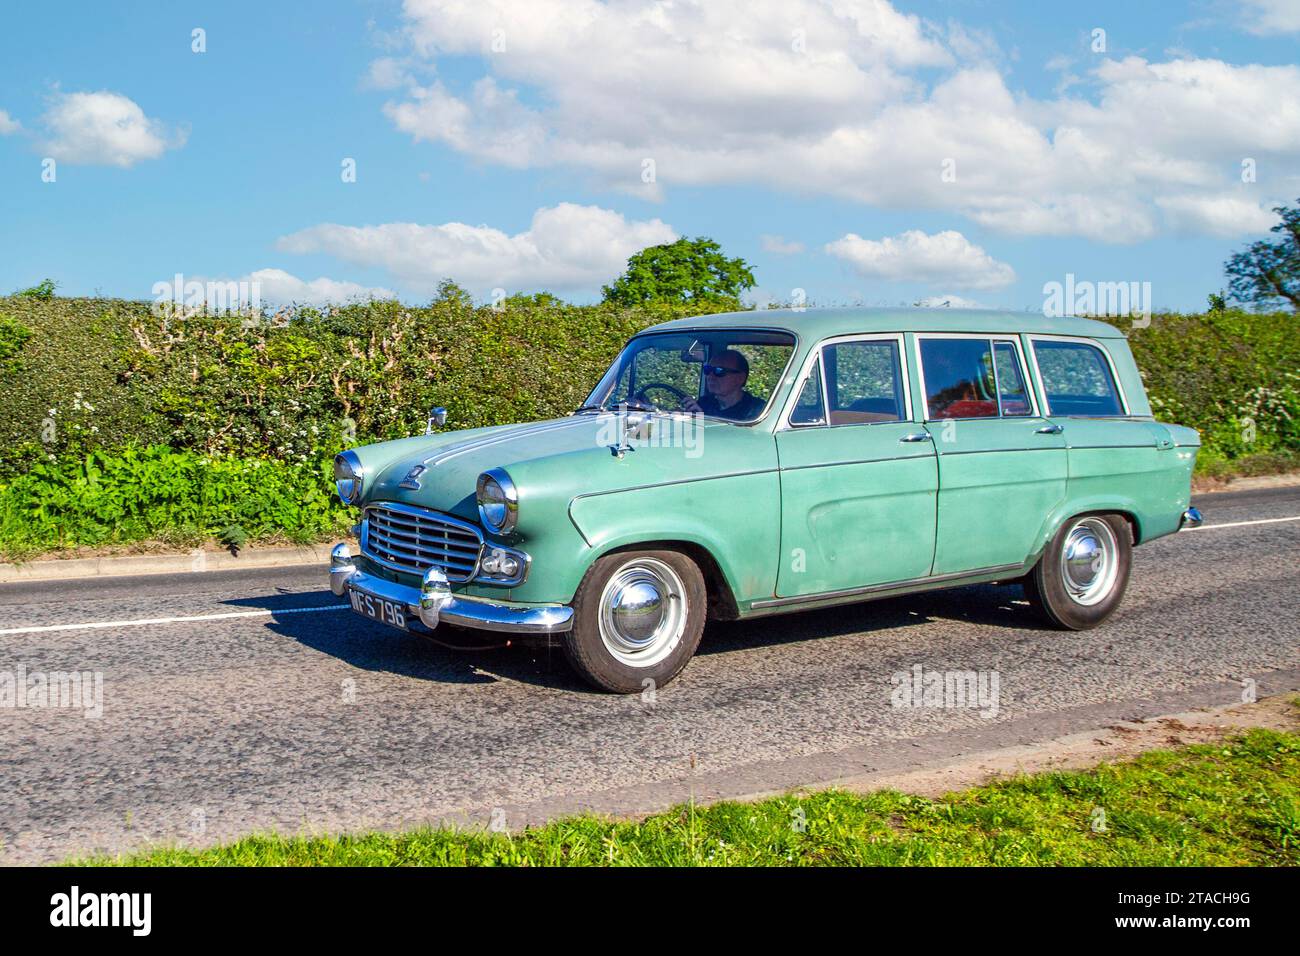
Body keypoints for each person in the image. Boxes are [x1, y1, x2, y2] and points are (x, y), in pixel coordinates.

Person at [681, 349, 765, 421]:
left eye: (719, 371)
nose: (710, 376)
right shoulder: (704, 403)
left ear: (740, 378)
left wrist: (704, 421)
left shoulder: (757, 412)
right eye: (708, 370)